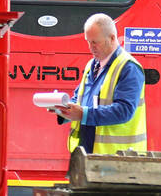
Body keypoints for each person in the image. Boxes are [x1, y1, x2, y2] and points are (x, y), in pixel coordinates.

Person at [54, 13, 147, 154]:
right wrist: (63, 108)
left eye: (95, 42)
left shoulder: (129, 67)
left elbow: (124, 111)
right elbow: (80, 99)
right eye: (88, 42)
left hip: (117, 159)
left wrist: (83, 114)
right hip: (87, 154)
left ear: (112, 38)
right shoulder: (91, 65)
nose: (91, 47)